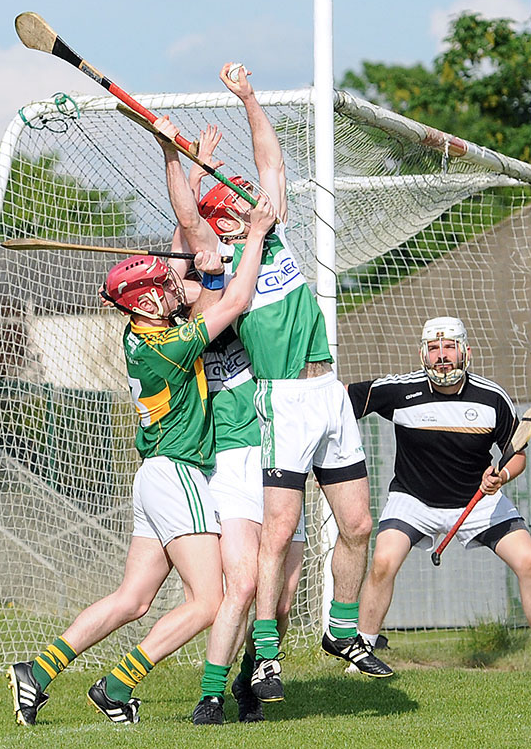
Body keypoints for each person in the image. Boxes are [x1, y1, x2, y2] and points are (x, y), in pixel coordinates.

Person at [7, 177, 278, 726]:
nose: (179, 287)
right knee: (208, 601)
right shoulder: (172, 344)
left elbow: (179, 263)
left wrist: (184, 183)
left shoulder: (141, 331)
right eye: (166, 286)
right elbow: (239, 298)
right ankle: (117, 684)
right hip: (178, 475)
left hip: (151, 477)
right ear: (151, 300)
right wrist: (255, 236)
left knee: (133, 598)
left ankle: (37, 672)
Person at [162, 64, 392, 706]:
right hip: (282, 398)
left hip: (330, 392)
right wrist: (171, 157)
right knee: (278, 530)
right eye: (232, 201)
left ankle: (343, 631)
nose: (246, 201)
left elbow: (273, 164)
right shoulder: (219, 270)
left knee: (356, 523)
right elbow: (186, 220)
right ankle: (264, 656)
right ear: (219, 221)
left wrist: (249, 100)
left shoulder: (274, 235)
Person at [164, 131, 305, 725]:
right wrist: (170, 157)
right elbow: (189, 235)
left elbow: (198, 228)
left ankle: (253, 674)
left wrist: (189, 176)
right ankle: (211, 693)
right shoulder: (204, 305)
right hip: (231, 459)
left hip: (281, 446)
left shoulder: (248, 271)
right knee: (242, 583)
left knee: (286, 587)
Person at [348, 316, 531, 672]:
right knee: (382, 563)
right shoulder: (398, 390)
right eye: (435, 348)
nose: (442, 356)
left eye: (450, 347)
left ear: (466, 352)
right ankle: (360, 655)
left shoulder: (492, 397)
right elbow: (339, 405)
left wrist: (500, 476)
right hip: (413, 501)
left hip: (479, 502)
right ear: (423, 354)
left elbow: (517, 456)